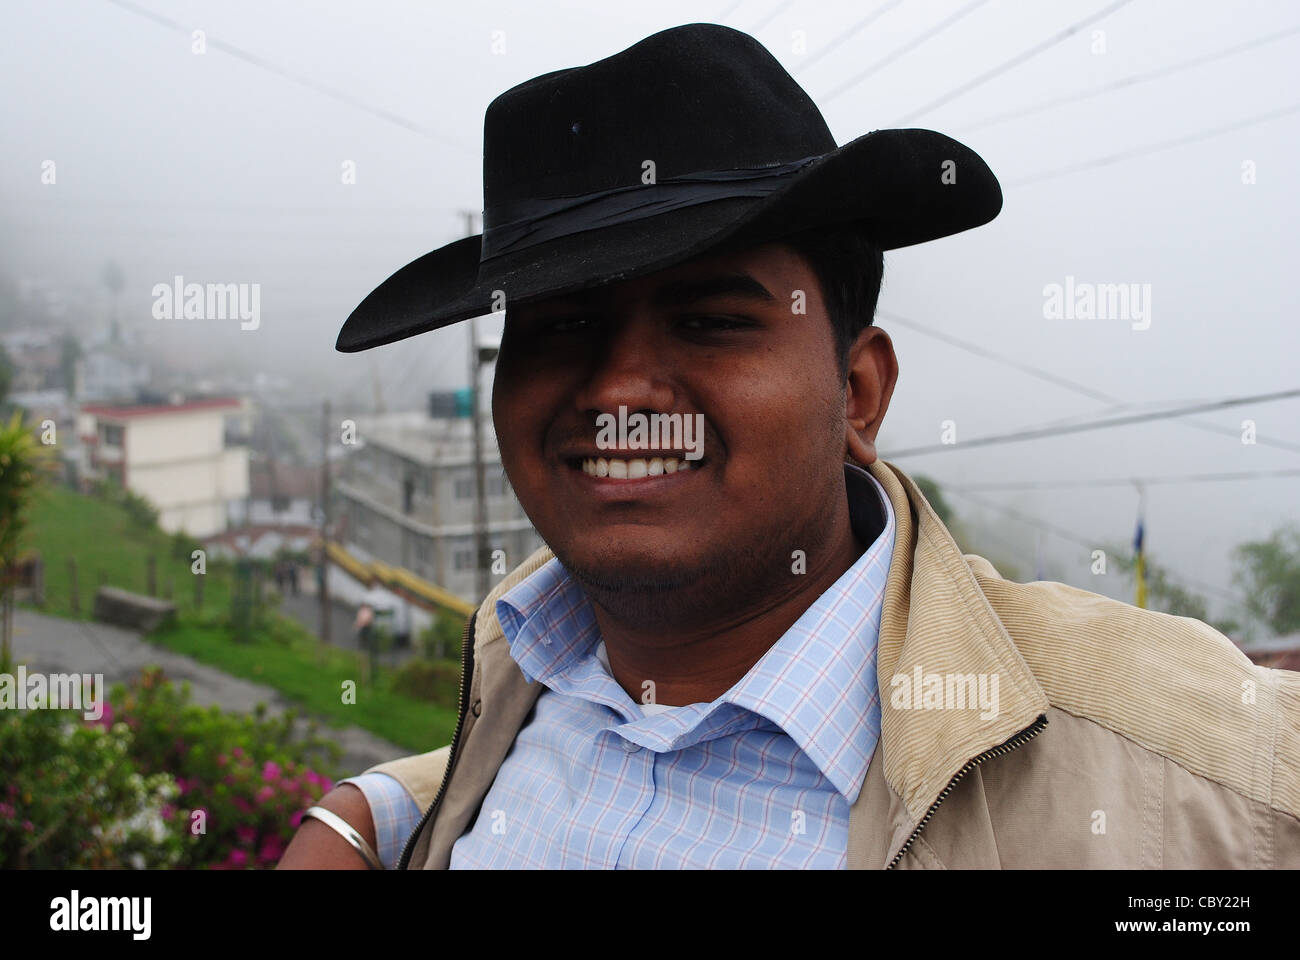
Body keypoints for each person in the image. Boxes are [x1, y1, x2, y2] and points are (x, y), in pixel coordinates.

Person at [280, 23, 1300, 870]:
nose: (619, 390)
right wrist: (370, 815)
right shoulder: (533, 667)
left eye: (710, 320)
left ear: (857, 391)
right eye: (557, 327)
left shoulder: (1211, 778)